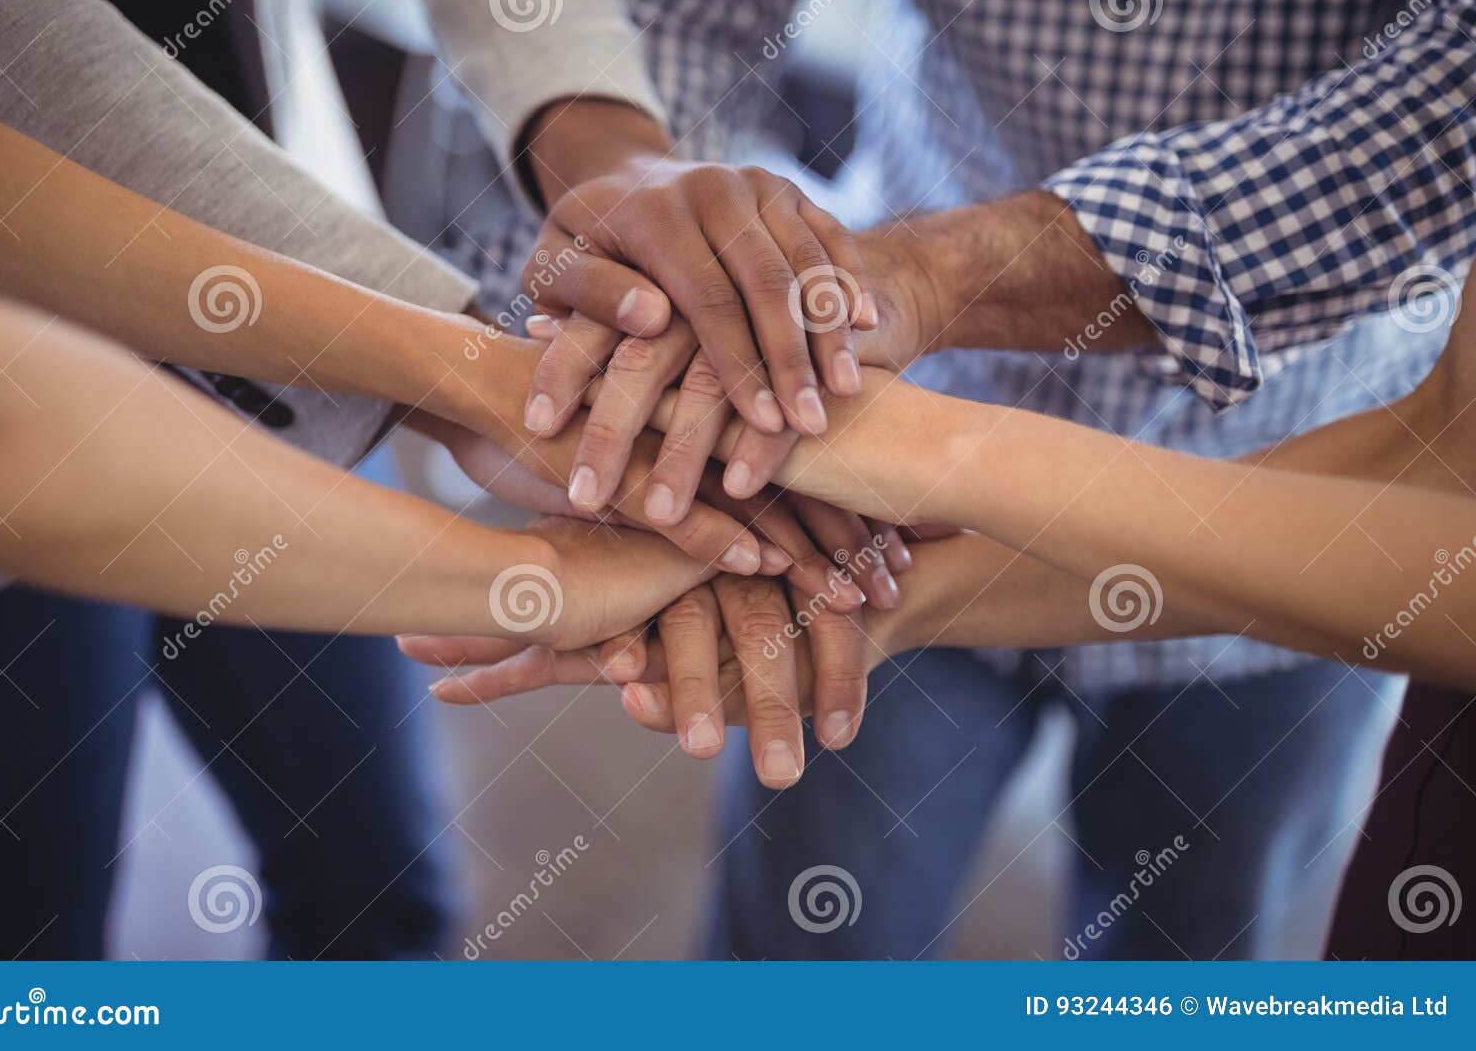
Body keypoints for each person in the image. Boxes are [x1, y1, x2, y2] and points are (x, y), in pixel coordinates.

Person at [436, 0, 1476, 958]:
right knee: (808, 953)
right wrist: (659, 262)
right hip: (866, 474)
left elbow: (1439, 129)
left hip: (1300, 477)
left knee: (1185, 967)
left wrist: (922, 318)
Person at [0, 0, 887, 957]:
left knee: (378, 892)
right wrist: (481, 421)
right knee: (12, 945)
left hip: (293, 320)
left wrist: (610, 156)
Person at [412, 263, 1476, 955]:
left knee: (1178, 965)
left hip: (1289, 634)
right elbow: (1438, 454)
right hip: (878, 506)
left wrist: (940, 451)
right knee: (805, 951)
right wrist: (895, 595)